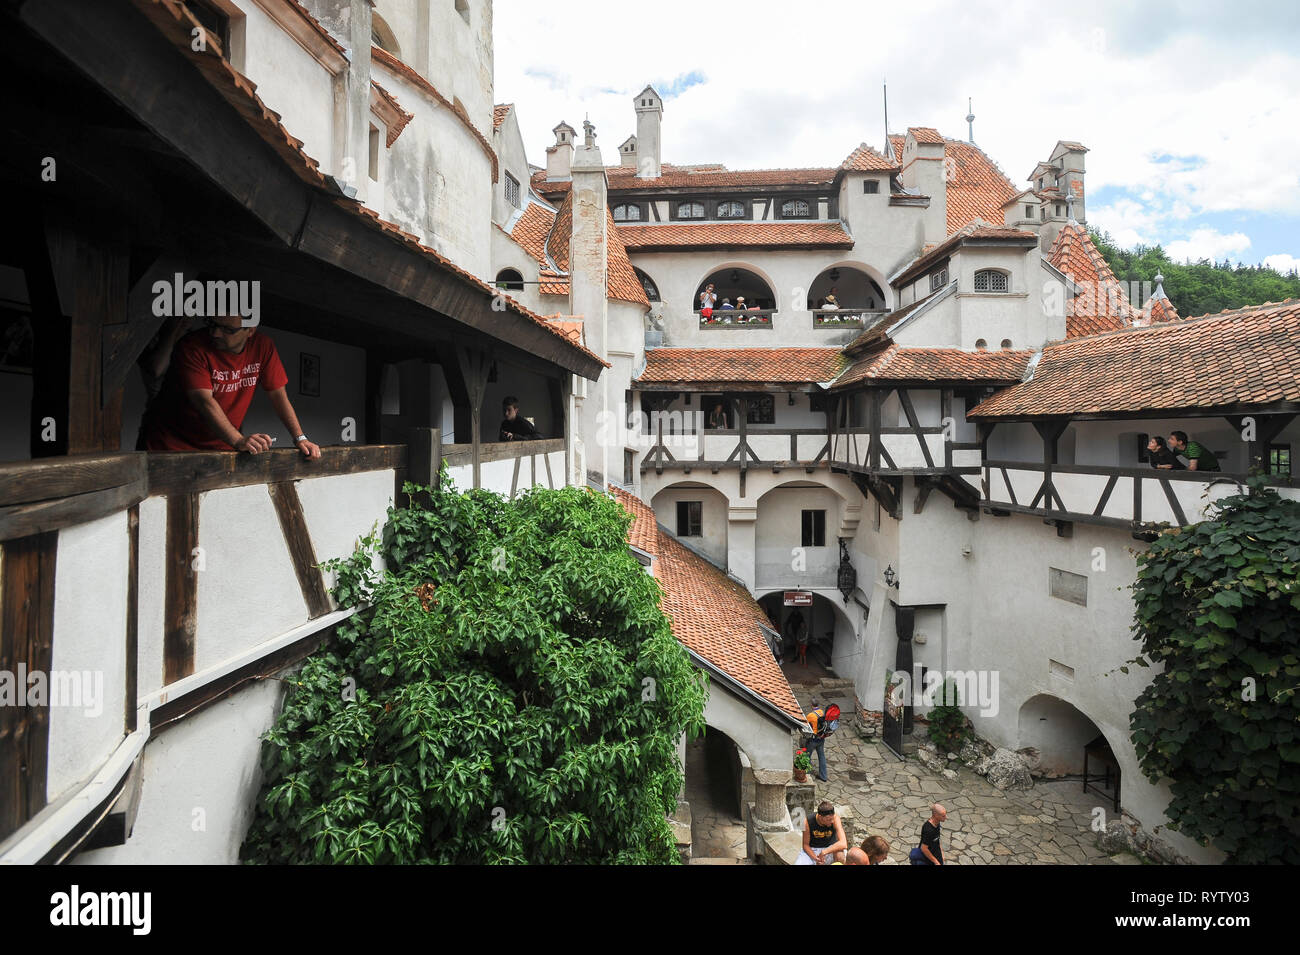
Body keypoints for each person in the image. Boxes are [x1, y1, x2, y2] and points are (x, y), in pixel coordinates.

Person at [142, 315, 321, 458]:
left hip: (222, 445)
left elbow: (278, 396)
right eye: (212, 324)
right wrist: (238, 440)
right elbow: (204, 401)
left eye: (228, 329)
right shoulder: (192, 346)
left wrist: (300, 438)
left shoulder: (263, 346)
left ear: (250, 330)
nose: (215, 334)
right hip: (169, 444)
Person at [796, 801, 848, 865]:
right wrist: (816, 858)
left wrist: (824, 852)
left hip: (830, 848)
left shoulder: (835, 819)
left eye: (832, 818)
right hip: (813, 849)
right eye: (828, 820)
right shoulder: (807, 821)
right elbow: (805, 845)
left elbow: (843, 843)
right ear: (820, 817)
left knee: (840, 855)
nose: (832, 821)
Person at [803, 701, 840, 783]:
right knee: (821, 756)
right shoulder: (823, 713)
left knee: (807, 756)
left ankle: (807, 774)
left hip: (812, 739)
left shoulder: (810, 716)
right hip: (821, 738)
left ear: (811, 705)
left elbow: (805, 726)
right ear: (818, 705)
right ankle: (823, 776)